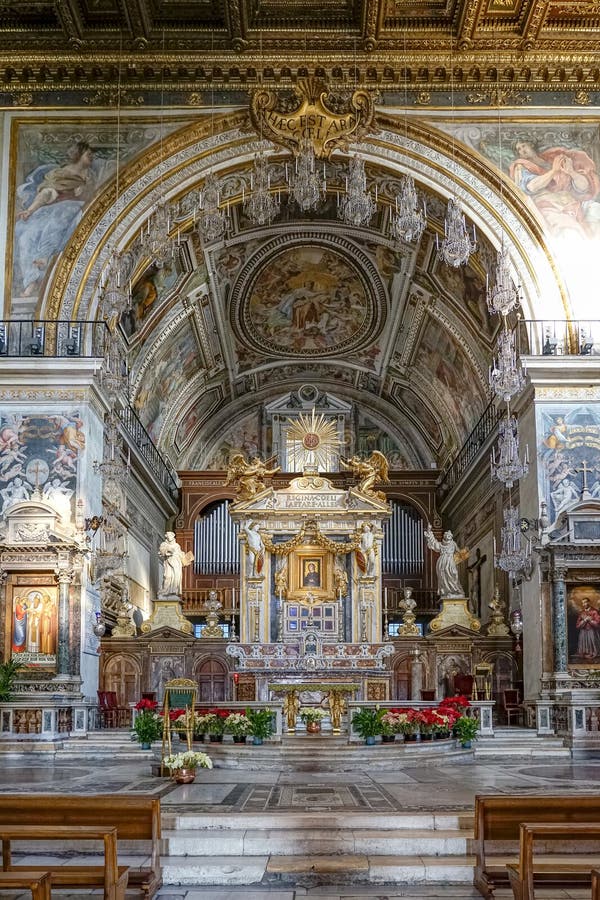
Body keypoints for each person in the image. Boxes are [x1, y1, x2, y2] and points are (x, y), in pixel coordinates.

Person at [14, 142, 98, 297]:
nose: (92, 157)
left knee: (57, 222)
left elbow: (95, 200)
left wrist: (84, 192)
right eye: (88, 154)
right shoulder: (59, 174)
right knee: (27, 237)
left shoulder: (91, 177)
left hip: (75, 209)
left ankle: (44, 257)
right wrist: (30, 211)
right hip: (53, 208)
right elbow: (46, 194)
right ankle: (31, 283)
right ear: (79, 155)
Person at [509, 139, 600, 238]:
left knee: (595, 209)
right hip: (548, 206)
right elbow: (532, 186)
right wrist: (554, 171)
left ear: (531, 145)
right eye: (519, 149)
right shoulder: (522, 166)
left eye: (524, 146)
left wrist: (572, 172)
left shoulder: (551, 158)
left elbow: (583, 188)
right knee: (570, 231)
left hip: (571, 202)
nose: (522, 150)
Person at [424, 526, 466, 598]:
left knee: (453, 573)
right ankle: (447, 591)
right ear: (444, 536)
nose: (448, 536)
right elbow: (433, 542)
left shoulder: (453, 544)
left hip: (450, 561)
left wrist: (464, 553)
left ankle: (456, 590)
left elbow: (459, 551)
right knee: (443, 576)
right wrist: (429, 530)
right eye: (446, 535)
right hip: (442, 562)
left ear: (451, 537)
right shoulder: (441, 544)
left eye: (449, 535)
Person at [158, 531, 194, 596]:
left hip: (177, 564)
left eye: (170, 536)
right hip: (169, 563)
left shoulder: (177, 545)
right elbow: (161, 551)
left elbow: (181, 555)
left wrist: (187, 558)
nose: (169, 537)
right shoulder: (164, 544)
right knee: (168, 576)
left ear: (173, 536)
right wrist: (168, 550)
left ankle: (174, 591)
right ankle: (165, 591)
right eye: (168, 536)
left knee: (176, 577)